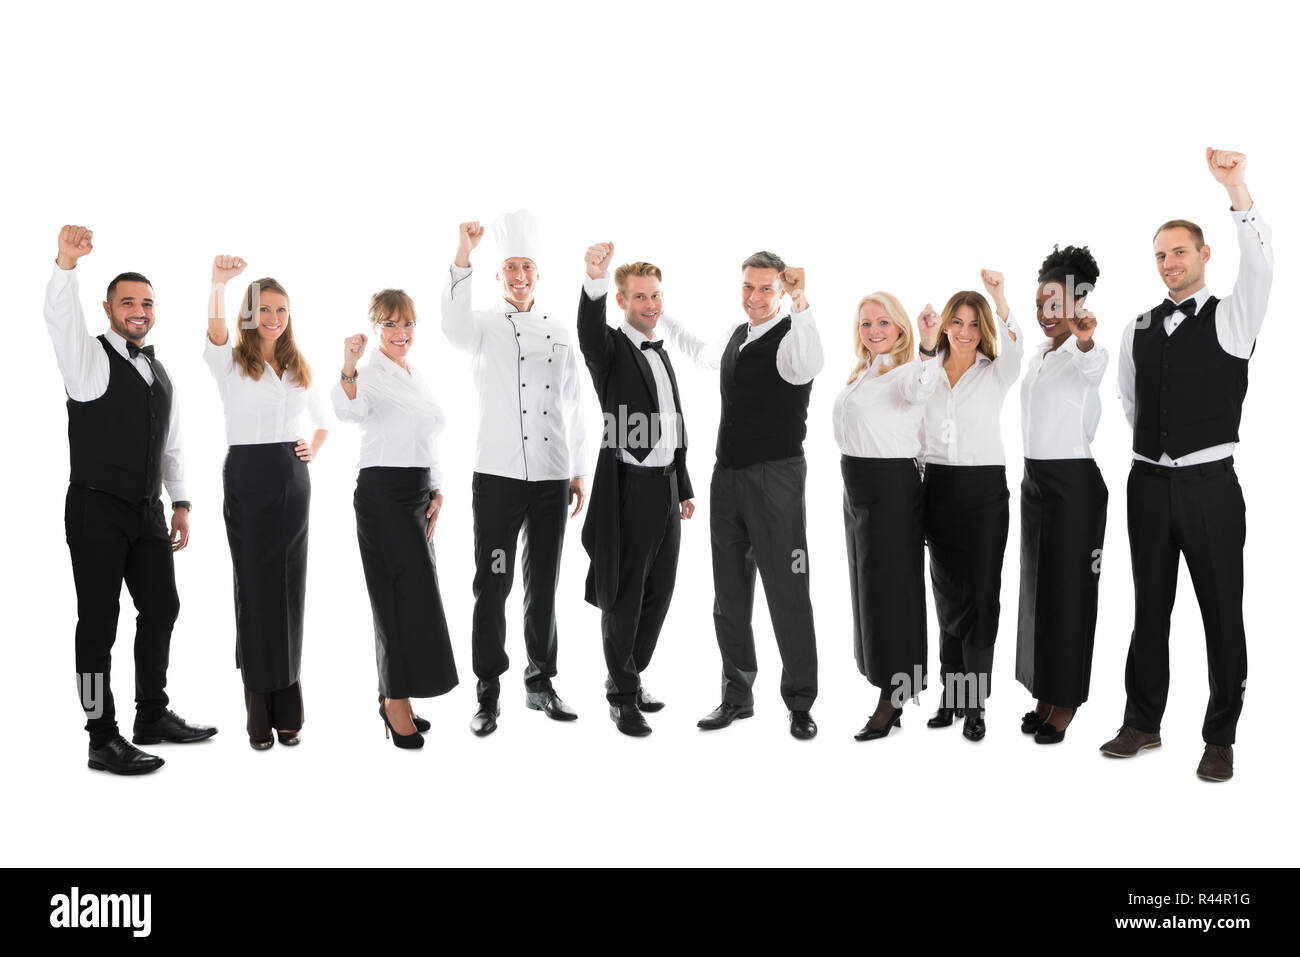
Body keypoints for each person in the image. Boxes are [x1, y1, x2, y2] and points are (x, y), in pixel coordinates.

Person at [1100, 148, 1272, 782]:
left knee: (1221, 611)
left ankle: (1220, 734)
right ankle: (1143, 722)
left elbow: (1262, 267)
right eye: (1160, 255)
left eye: (1179, 252)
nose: (1169, 263)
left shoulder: (1233, 317)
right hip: (1147, 484)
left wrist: (1237, 192)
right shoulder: (1137, 326)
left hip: (1210, 487)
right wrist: (1155, 453)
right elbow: (1129, 399)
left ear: (1204, 256)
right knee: (1149, 606)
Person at [44, 225, 216, 775]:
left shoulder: (158, 370)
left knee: (162, 606)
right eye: (128, 302)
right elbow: (60, 318)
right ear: (109, 308)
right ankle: (100, 736)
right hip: (95, 509)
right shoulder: (87, 361)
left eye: (146, 302)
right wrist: (66, 264)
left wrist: (182, 503)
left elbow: (171, 441)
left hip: (146, 511)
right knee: (97, 624)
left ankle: (152, 715)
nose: (139, 310)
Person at [441, 212, 592, 736]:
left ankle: (541, 681)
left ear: (538, 273)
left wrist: (576, 469)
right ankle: (488, 689)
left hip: (551, 478)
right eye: (510, 267)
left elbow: (575, 404)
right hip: (499, 478)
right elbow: (450, 325)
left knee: (544, 584)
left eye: (527, 265)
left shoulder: (558, 330)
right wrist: (464, 253)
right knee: (494, 582)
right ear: (498, 274)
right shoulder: (480, 325)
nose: (520, 274)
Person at [692, 251, 825, 740]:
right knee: (728, 595)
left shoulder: (794, 338)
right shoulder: (736, 335)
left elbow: (813, 360)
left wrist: (803, 300)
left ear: (782, 292)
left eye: (766, 288)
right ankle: (736, 695)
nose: (754, 296)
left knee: (788, 592)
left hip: (777, 481)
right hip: (726, 478)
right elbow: (701, 352)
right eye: (748, 286)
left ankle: (800, 702)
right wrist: (656, 314)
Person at [204, 256, 329, 750]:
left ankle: (289, 707)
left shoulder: (297, 365)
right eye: (264, 309)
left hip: (293, 481)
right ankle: (259, 709)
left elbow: (322, 419)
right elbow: (214, 327)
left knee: (290, 590)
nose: (274, 317)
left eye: (281, 309)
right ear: (250, 314)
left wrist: (311, 448)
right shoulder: (231, 361)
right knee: (255, 590)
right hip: (249, 477)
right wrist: (218, 284)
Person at [576, 242, 696, 737]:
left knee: (660, 592)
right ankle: (621, 696)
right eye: (641, 297)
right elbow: (587, 329)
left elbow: (673, 424)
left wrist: (683, 485)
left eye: (656, 296)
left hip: (667, 488)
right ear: (623, 301)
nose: (651, 305)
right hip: (631, 488)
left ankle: (629, 670)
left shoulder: (659, 352)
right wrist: (594, 279)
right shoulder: (610, 350)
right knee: (625, 595)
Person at [333, 290, 460, 749]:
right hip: (383, 497)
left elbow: (426, 437)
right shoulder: (367, 375)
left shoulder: (417, 375)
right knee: (392, 600)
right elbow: (348, 411)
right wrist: (347, 365)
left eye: (407, 324)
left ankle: (396, 692)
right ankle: (394, 703)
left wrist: (437, 488)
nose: (400, 333)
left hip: (417, 493)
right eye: (390, 325)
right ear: (375, 328)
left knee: (418, 597)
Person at [919, 272, 1024, 741]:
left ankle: (975, 703)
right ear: (944, 326)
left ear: (984, 330)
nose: (964, 332)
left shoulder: (994, 372)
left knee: (980, 597)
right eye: (956, 322)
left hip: (984, 494)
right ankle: (951, 696)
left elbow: (1018, 347)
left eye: (973, 325)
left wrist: (1000, 300)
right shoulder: (926, 370)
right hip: (937, 489)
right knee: (947, 598)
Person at [832, 292, 939, 741]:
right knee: (868, 592)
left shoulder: (906, 372)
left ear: (900, 329)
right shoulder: (865, 372)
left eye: (883, 323)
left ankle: (893, 699)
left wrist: (930, 345)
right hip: (856, 490)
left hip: (890, 490)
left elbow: (922, 386)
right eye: (865, 323)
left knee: (892, 593)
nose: (873, 330)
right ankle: (881, 682)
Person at [1015, 247, 1107, 745]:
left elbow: (1093, 367)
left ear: (1079, 301)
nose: (1046, 312)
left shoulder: (1088, 351)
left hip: (1074, 487)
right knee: (1036, 592)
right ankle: (1042, 692)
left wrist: (1085, 340)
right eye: (1040, 302)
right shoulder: (1039, 356)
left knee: (1069, 595)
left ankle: (1065, 701)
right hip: (1034, 483)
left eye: (1056, 303)